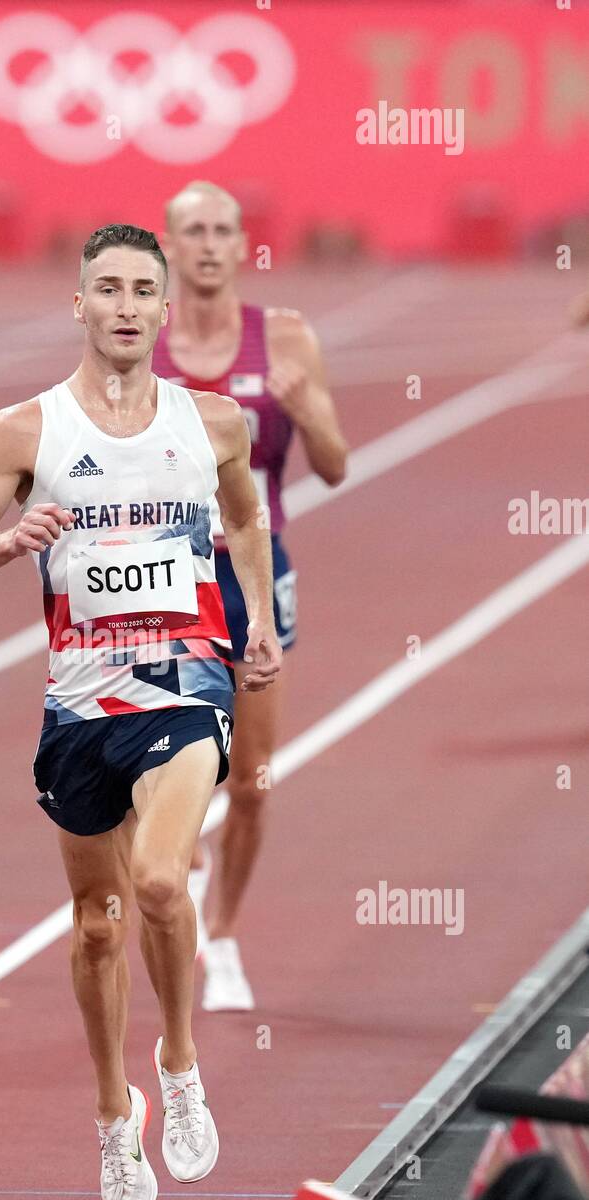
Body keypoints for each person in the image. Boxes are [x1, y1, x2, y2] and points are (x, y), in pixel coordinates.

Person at [0, 224, 281, 1200]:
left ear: (164, 310)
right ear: (76, 305)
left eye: (140, 290)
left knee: (162, 881)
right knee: (96, 926)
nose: (124, 304)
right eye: (105, 288)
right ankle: (109, 1114)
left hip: (184, 689)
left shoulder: (211, 424)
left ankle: (177, 1065)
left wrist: (255, 615)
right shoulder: (21, 434)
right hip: (79, 708)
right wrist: (4, 543)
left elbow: (246, 516)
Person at [153, 181, 348, 1011]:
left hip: (255, 574)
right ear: (167, 245)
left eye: (221, 230)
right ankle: (182, 878)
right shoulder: (141, 339)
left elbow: (335, 465)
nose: (205, 243)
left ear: (242, 245)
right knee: (159, 766)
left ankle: (223, 934)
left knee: (254, 779)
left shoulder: (287, 339)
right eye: (191, 230)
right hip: (162, 575)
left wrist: (307, 414)